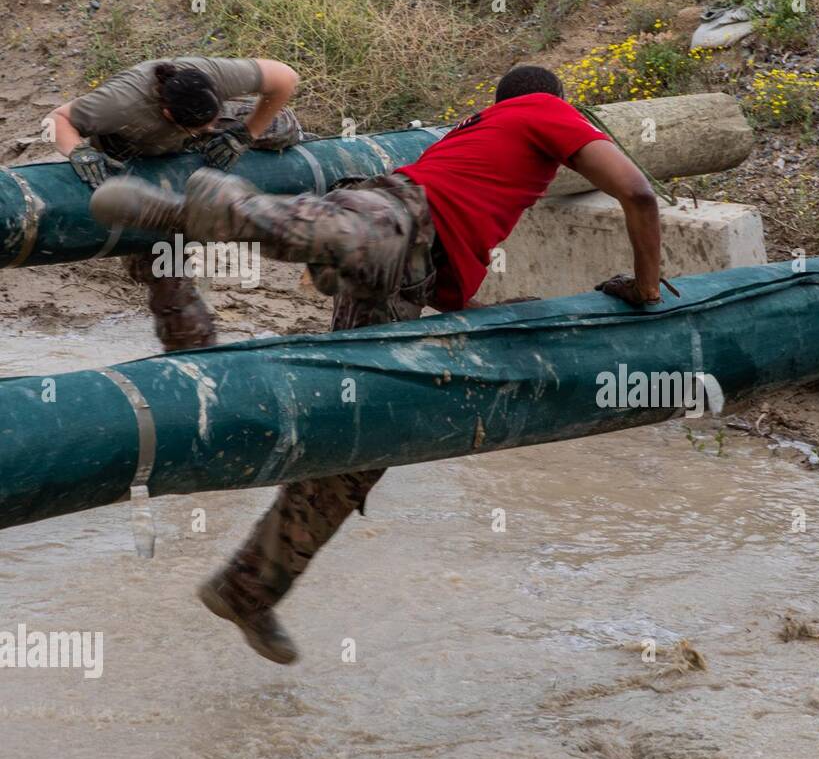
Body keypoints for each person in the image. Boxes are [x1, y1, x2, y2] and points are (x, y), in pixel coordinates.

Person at [90, 65, 667, 663]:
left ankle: (247, 589)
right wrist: (647, 287)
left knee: (365, 437)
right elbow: (639, 191)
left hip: (408, 274)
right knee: (352, 236)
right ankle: (210, 206)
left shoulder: (472, 133)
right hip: (402, 221)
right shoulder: (541, 108)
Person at [51, 56, 303, 351]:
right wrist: (78, 152)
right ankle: (191, 353)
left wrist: (245, 135)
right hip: (136, 156)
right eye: (202, 128)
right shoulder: (120, 102)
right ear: (169, 114)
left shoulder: (213, 77)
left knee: (282, 124)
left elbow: (285, 77)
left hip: (189, 136)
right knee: (166, 272)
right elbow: (57, 119)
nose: (209, 129)